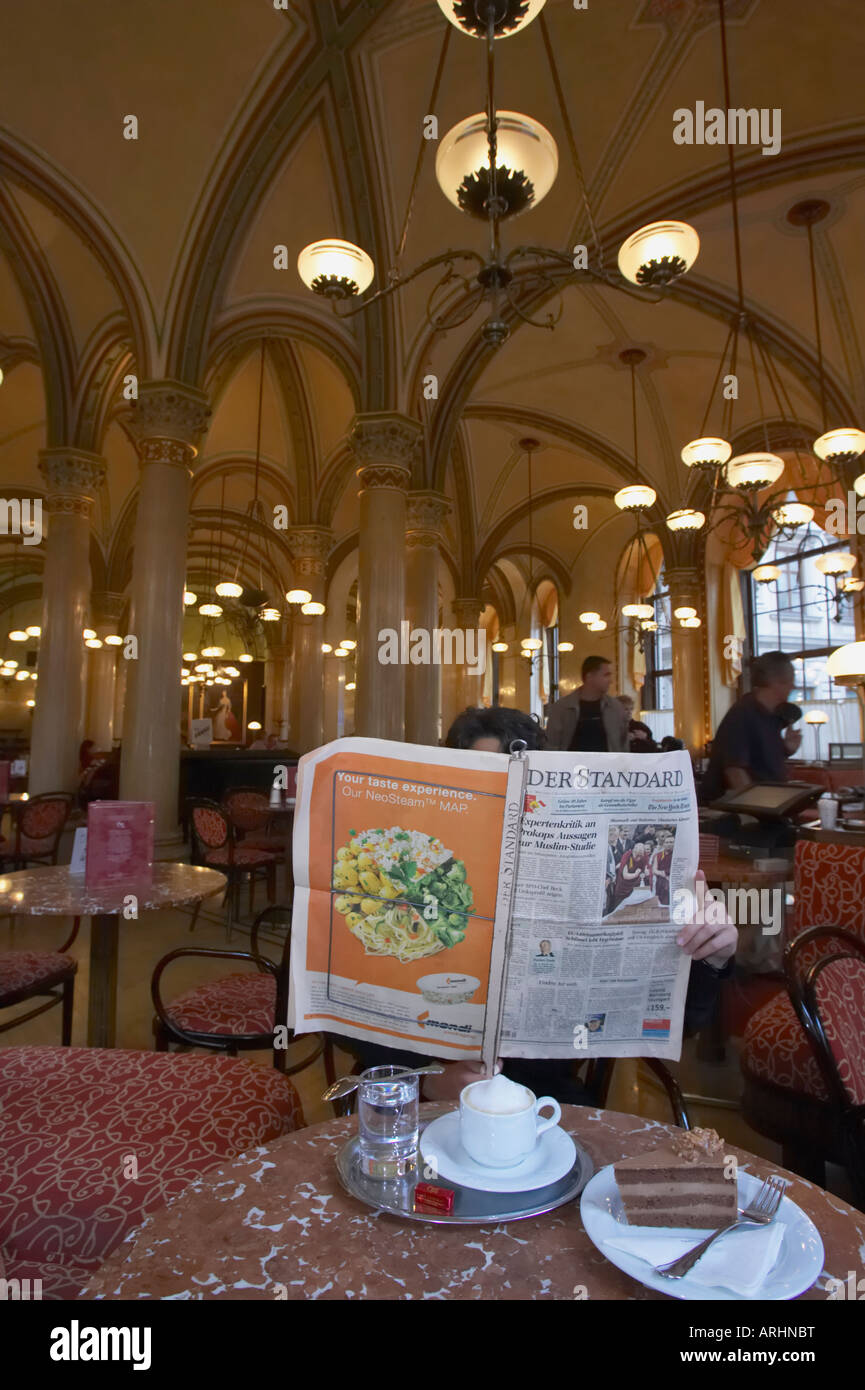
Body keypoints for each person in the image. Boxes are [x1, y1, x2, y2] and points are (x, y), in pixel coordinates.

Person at [334, 706, 736, 1107]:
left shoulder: (587, 875)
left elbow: (670, 1022)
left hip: (542, 1105)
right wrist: (428, 1083)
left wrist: (711, 957)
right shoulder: (400, 872)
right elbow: (347, 1026)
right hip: (412, 1101)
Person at [700, 651, 802, 802]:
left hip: (768, 806)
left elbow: (761, 760)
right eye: (789, 681)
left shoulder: (772, 715)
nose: (793, 687)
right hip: (736, 813)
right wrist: (757, 808)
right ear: (776, 682)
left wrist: (786, 749)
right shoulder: (743, 714)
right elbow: (735, 771)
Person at [545, 656, 629, 752]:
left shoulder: (615, 708)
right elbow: (552, 745)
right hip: (570, 765)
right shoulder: (562, 708)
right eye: (606, 675)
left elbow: (623, 747)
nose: (611, 681)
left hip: (606, 766)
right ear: (589, 677)